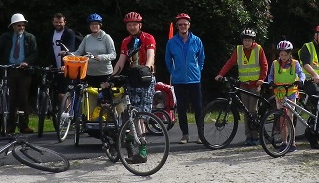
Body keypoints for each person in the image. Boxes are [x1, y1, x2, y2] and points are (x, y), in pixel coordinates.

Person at [215, 28, 269, 146]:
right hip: (243, 84)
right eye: (245, 40)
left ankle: (256, 136)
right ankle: (248, 136)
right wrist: (221, 74)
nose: (247, 42)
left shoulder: (258, 49)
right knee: (246, 111)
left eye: (249, 40)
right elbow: (230, 62)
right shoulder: (238, 50)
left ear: (253, 41)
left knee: (252, 110)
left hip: (255, 84)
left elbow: (264, 65)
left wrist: (261, 79)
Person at [0, 13, 38, 133]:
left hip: (24, 71)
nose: (21, 27)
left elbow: (34, 53)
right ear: (13, 26)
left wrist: (26, 62)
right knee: (11, 98)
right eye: (19, 25)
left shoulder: (30, 37)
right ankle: (10, 126)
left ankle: (24, 125)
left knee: (23, 98)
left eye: (23, 25)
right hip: (9, 70)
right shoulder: (5, 37)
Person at [165, 13, 206, 144]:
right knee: (181, 108)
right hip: (178, 80)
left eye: (185, 24)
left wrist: (198, 70)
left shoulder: (197, 40)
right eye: (180, 24)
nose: (183, 26)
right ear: (177, 26)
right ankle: (185, 135)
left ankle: (201, 134)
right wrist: (174, 72)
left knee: (198, 107)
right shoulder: (171, 42)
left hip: (194, 79)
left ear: (189, 25)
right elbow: (168, 59)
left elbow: (201, 57)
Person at [112, 11, 157, 114]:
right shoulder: (126, 41)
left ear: (140, 25)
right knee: (133, 109)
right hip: (133, 77)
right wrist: (112, 75)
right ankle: (135, 125)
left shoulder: (148, 38)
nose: (132, 27)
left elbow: (151, 56)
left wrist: (146, 69)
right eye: (129, 25)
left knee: (144, 109)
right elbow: (121, 61)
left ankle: (143, 125)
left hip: (146, 76)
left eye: (134, 25)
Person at [266, 40, 306, 152]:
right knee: (282, 118)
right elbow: (270, 76)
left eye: (285, 55)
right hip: (279, 93)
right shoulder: (275, 64)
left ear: (289, 54)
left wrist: (301, 80)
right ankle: (284, 142)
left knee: (289, 117)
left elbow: (301, 73)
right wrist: (270, 82)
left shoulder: (295, 63)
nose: (283, 57)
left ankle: (292, 142)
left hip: (291, 93)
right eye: (281, 54)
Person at [72, 13, 117, 87]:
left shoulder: (106, 37)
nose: (94, 26)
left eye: (96, 24)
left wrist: (100, 57)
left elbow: (113, 55)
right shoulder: (87, 38)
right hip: (90, 73)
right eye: (92, 24)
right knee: (91, 93)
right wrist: (69, 54)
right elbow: (79, 52)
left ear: (100, 25)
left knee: (104, 94)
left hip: (104, 73)